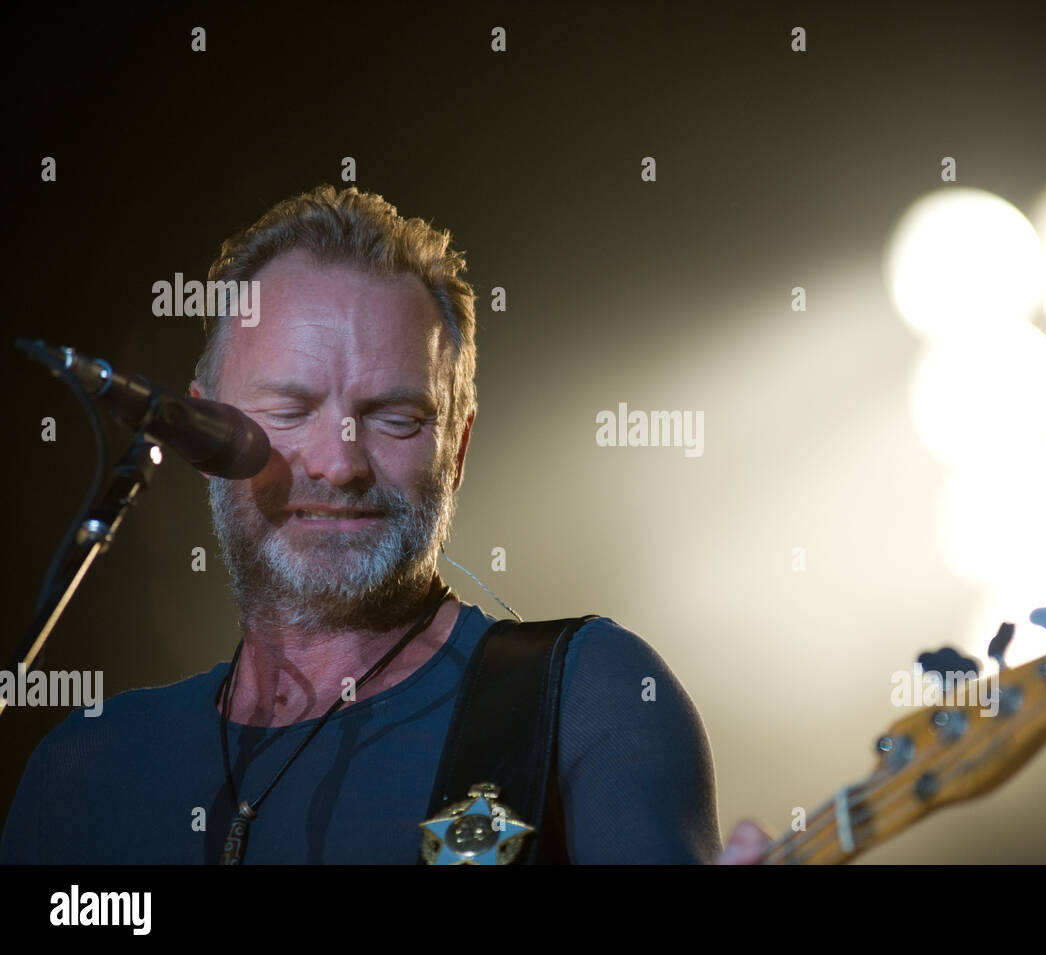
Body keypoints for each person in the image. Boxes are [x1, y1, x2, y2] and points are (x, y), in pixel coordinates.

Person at [1, 185, 771, 865]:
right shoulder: (82, 767)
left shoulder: (587, 697)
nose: (340, 466)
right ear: (202, 434)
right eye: (290, 411)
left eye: (396, 417)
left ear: (458, 447)